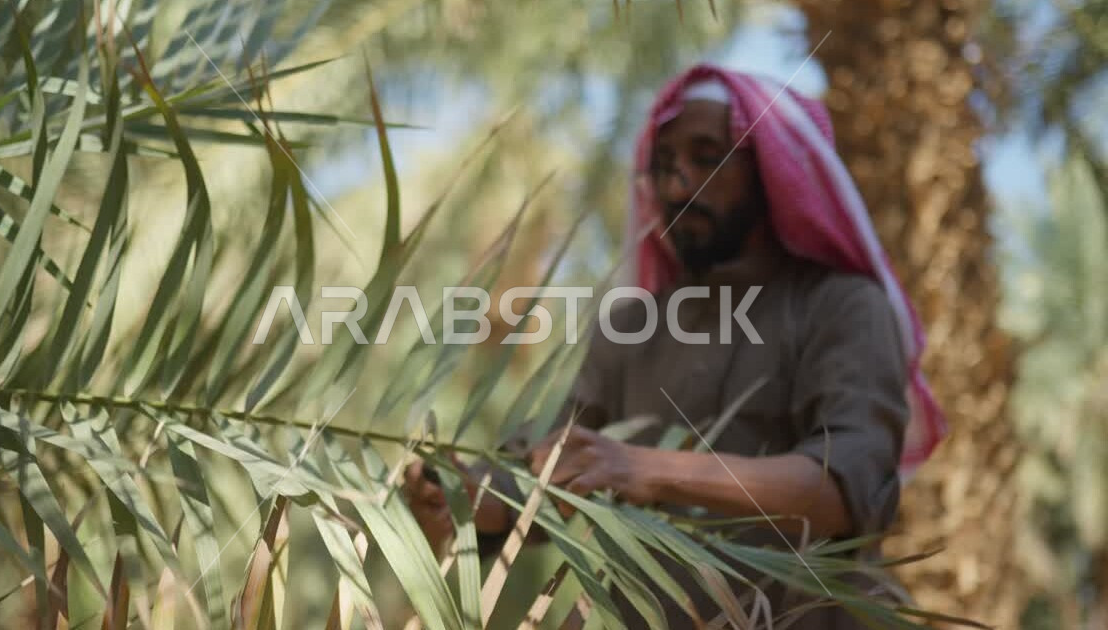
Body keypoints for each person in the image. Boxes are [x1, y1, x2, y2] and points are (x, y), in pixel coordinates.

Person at [405, 64, 947, 628]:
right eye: (662, 167)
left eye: (706, 157)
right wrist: (459, 493)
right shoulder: (631, 326)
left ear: (772, 167)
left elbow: (844, 491)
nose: (676, 185)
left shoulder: (842, 307)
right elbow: (552, 475)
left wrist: (649, 469)